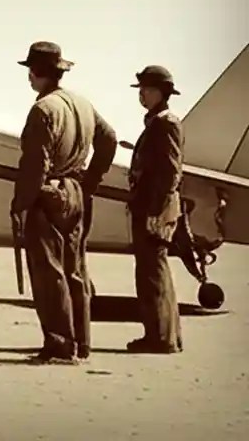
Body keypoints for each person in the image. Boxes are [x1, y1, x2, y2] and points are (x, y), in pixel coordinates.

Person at [10, 41, 117, 364]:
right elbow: (109, 138)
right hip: (76, 190)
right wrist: (91, 180)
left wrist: (21, 203)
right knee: (75, 270)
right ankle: (82, 343)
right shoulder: (81, 103)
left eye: (31, 70)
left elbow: (35, 164)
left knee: (48, 272)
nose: (29, 77)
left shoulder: (43, 110)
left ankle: (59, 344)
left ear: (37, 72)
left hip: (49, 193)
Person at [125, 65, 185, 354]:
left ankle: (159, 338)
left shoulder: (165, 123)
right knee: (154, 270)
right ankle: (167, 336)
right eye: (141, 90)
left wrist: (155, 211)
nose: (142, 95)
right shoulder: (158, 121)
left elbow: (170, 173)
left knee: (152, 272)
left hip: (155, 208)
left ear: (162, 93)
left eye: (147, 90)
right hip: (153, 205)